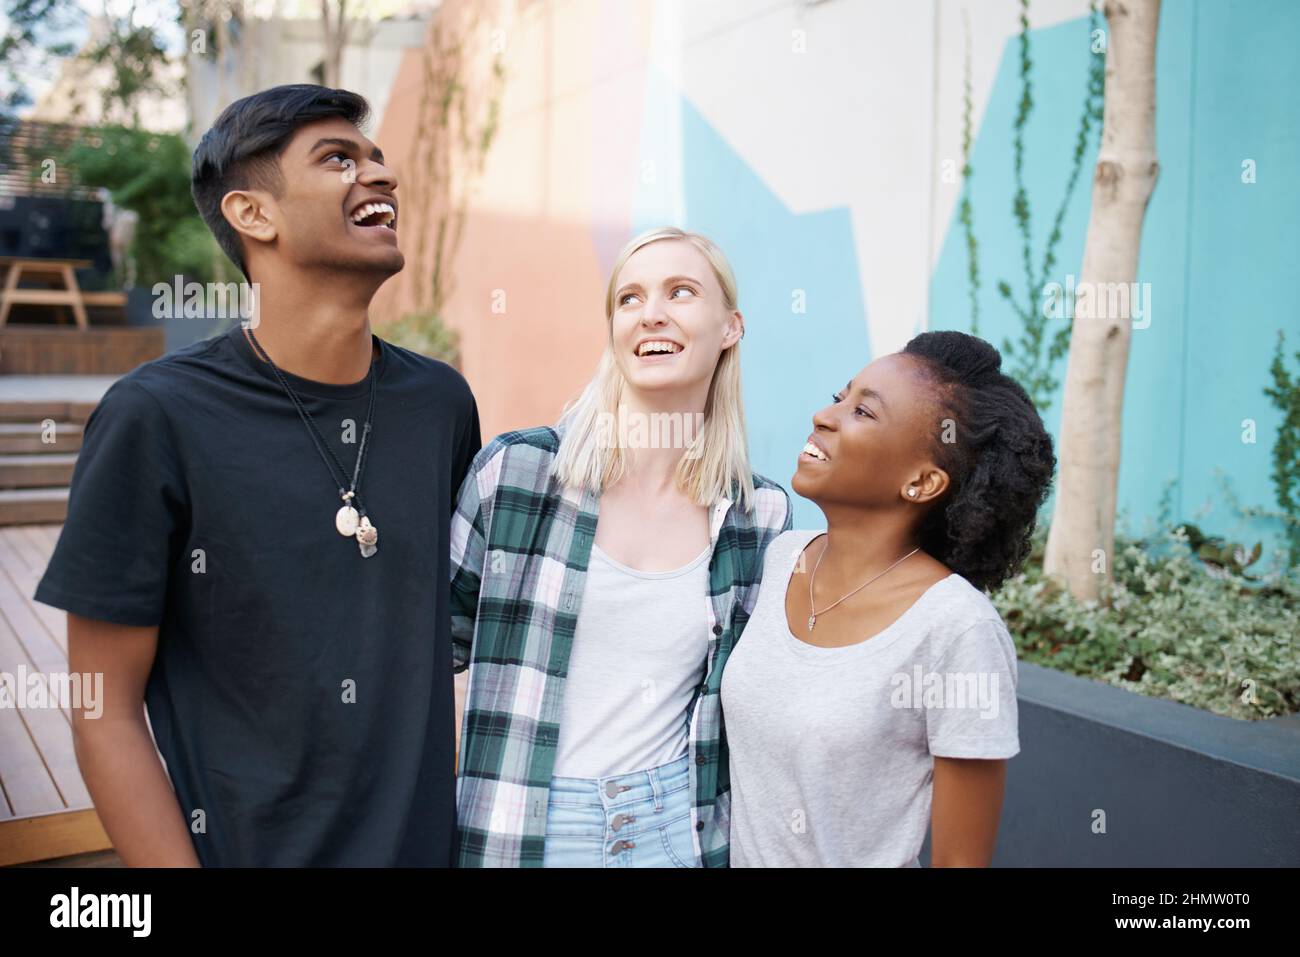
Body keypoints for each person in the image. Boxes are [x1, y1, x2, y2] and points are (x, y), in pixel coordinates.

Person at [34, 84, 481, 866]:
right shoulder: (154, 418)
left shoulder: (440, 404)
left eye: (376, 158)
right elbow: (101, 707)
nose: (380, 176)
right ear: (253, 214)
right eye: (338, 160)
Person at [449, 226, 791, 867]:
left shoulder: (758, 513)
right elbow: (429, 654)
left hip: (673, 833)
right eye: (629, 298)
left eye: (681, 292)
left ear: (730, 327)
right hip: (522, 830)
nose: (651, 312)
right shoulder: (519, 472)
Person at [721, 330, 1055, 867]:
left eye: (864, 413)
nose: (823, 417)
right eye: (840, 397)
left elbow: (959, 864)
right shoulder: (780, 558)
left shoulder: (958, 629)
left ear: (923, 482)